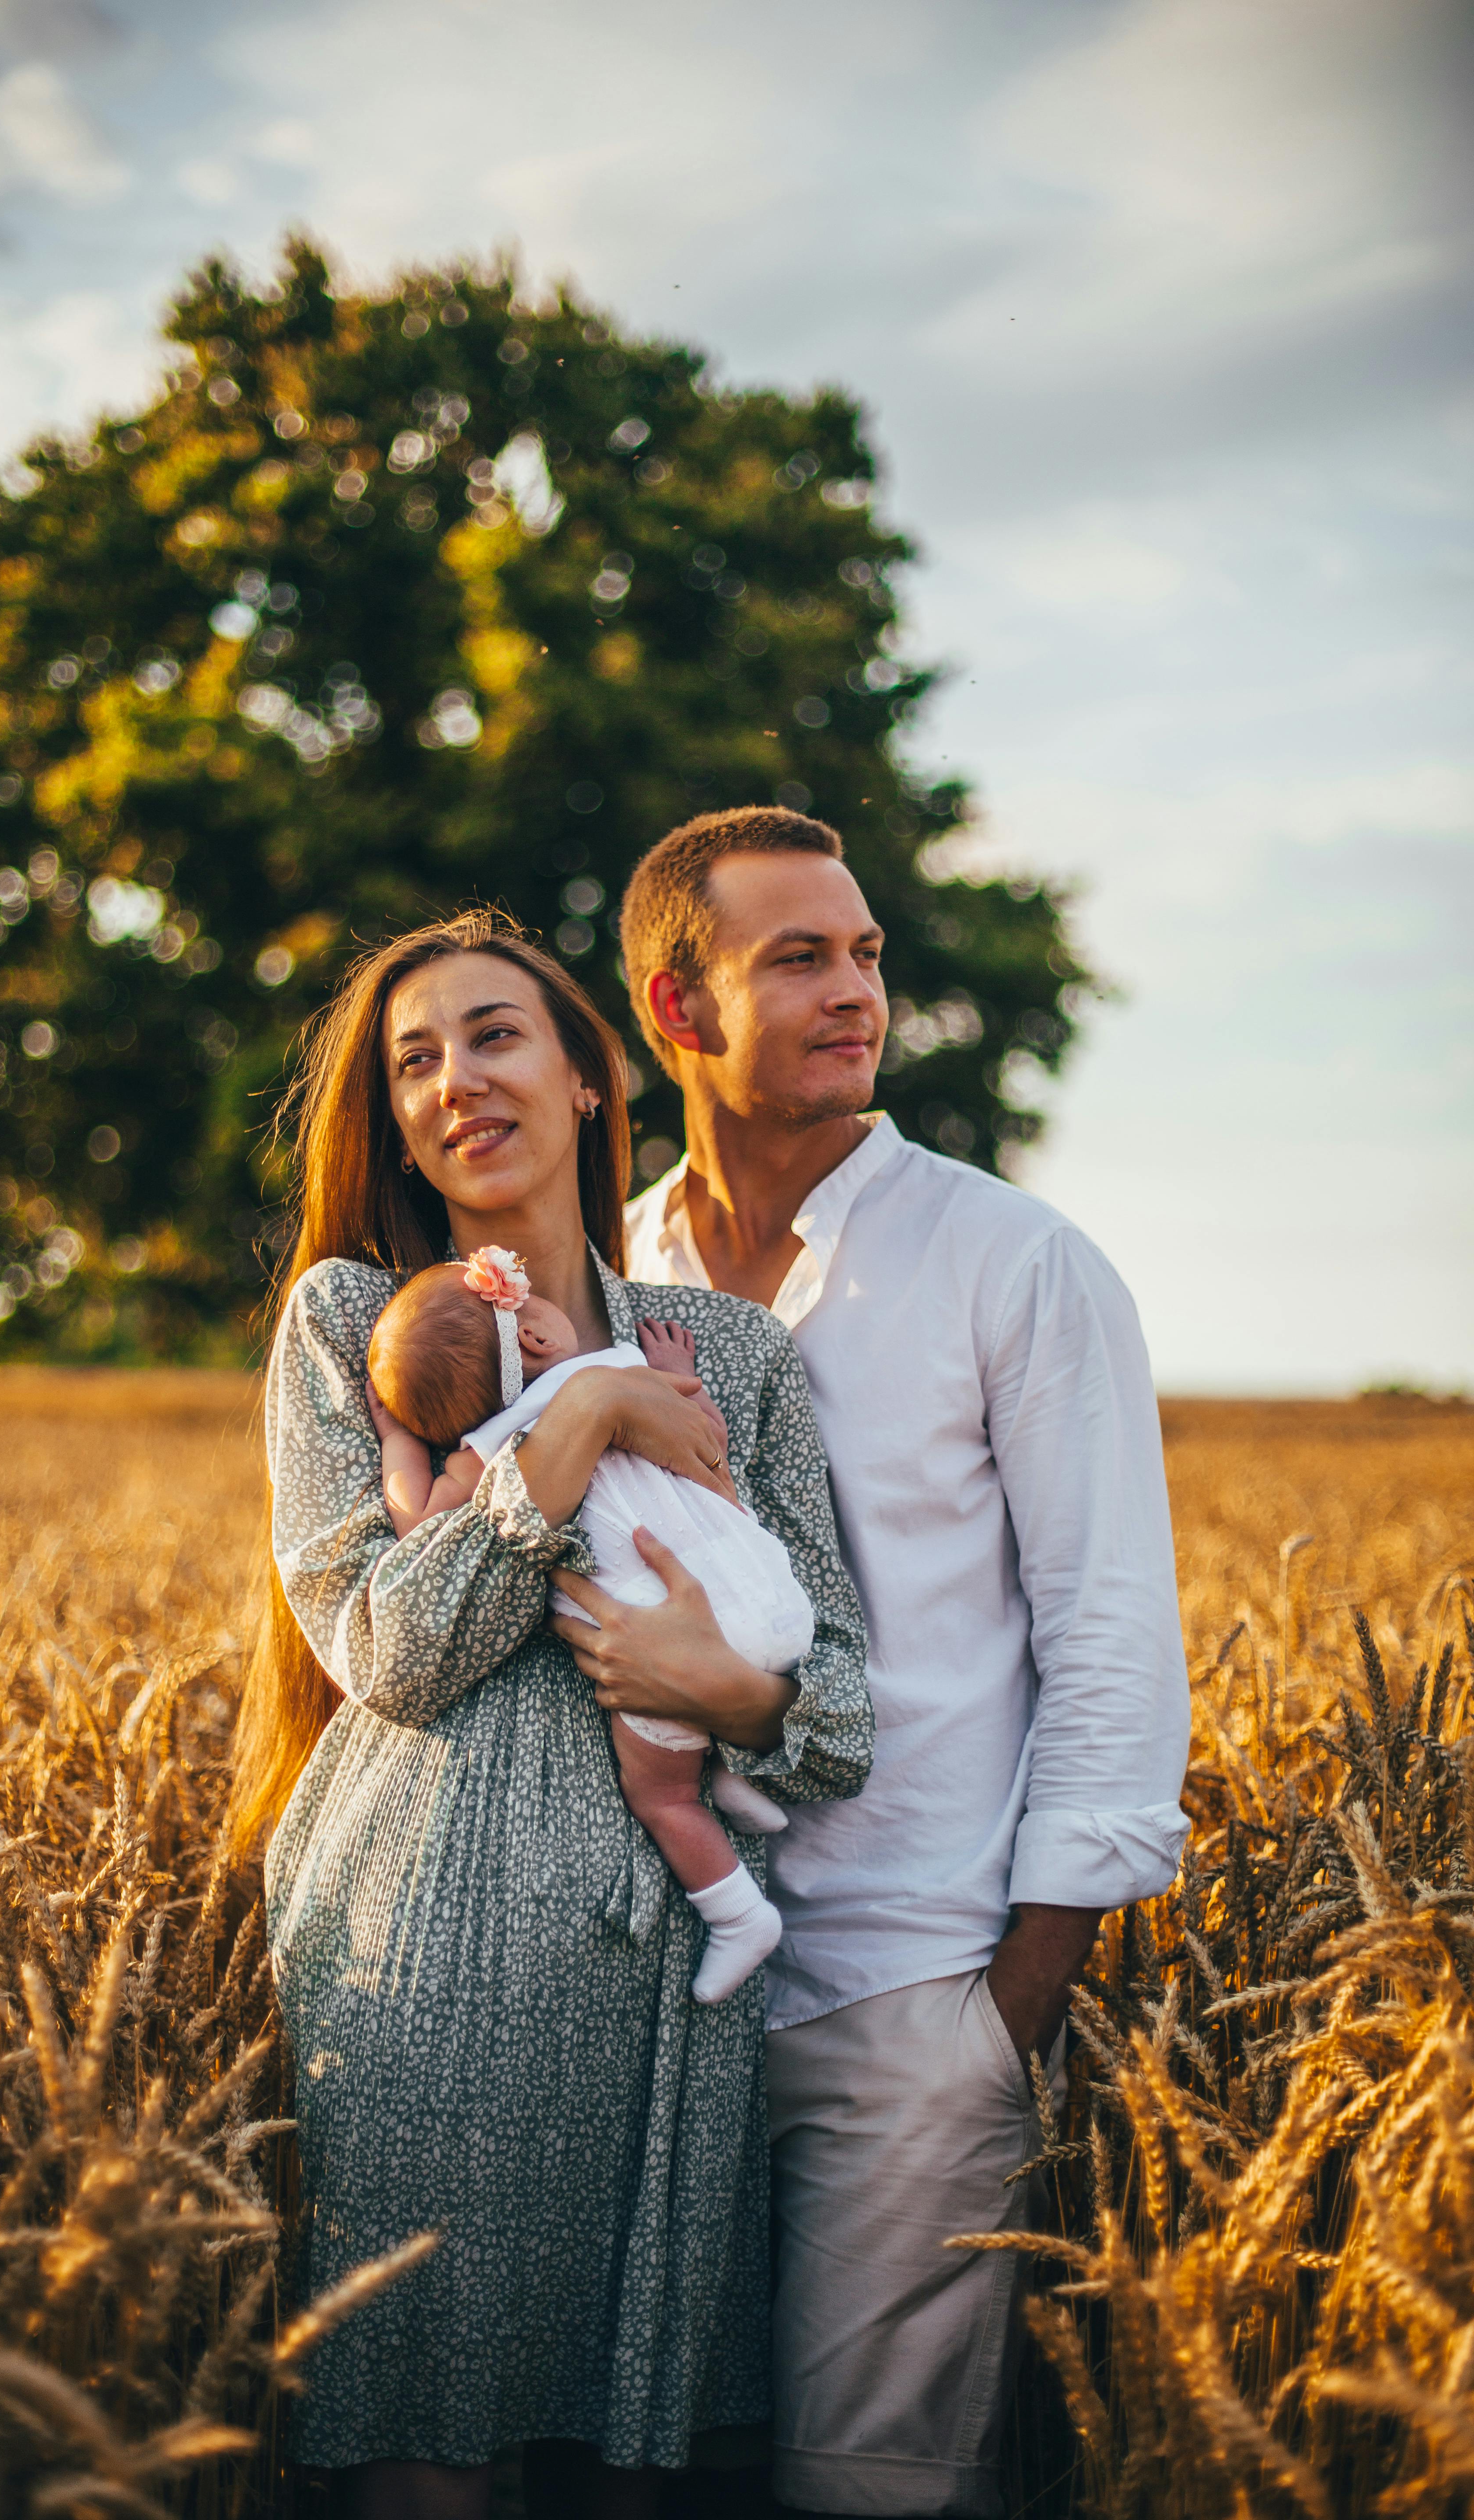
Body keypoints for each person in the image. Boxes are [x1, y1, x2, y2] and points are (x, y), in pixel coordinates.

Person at [228, 908, 873, 2520]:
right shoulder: (351, 1326)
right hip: (427, 1943)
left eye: (496, 1035)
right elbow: (390, 1648)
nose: (458, 1080)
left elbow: (843, 1708)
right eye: (416, 1059)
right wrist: (579, 1415)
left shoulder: (731, 1352)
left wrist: (721, 1688)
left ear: (590, 1078)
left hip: (680, 1965)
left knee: (635, 2449)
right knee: (427, 2437)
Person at [586, 805, 1191, 2520]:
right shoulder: (613, 1276)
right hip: (648, 2015)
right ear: (678, 1009)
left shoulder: (1015, 1262)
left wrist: (1006, 2015)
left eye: (865, 954)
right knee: (649, 2483)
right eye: (800, 957)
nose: (858, 991)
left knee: (880, 2496)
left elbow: (1112, 1642)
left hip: (915, 2000)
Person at [366, 1246, 807, 2002]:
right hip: (764, 1596)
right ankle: (733, 1769)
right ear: (535, 1336)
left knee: (659, 1796)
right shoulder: (626, 1368)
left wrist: (400, 1442)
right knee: (692, 1629)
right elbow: (708, 1440)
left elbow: (420, 1527)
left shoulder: (495, 1446)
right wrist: (678, 1368)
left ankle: (738, 1916)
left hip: (667, 1632)